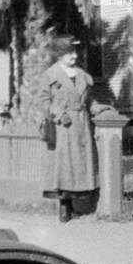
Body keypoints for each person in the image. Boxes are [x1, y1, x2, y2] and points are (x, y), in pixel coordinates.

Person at [36, 36, 114, 222]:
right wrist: (58, 114)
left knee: (83, 165)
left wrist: (97, 108)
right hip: (64, 127)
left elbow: (89, 100)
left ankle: (84, 206)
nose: (74, 55)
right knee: (64, 166)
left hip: (82, 125)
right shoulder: (50, 75)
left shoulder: (81, 74)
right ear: (60, 54)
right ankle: (65, 206)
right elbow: (43, 101)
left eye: (74, 52)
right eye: (69, 52)